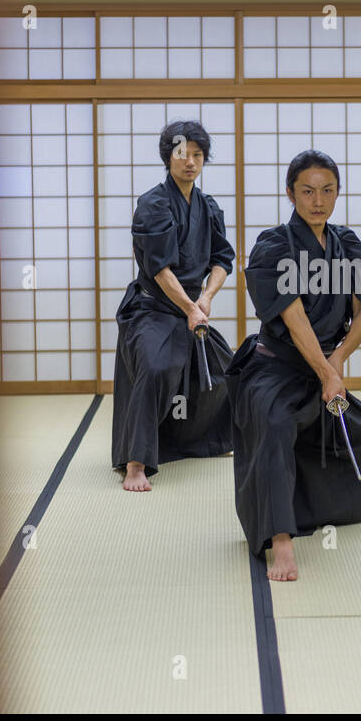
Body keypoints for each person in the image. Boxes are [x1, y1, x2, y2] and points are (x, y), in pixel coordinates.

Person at [225, 150, 361, 581]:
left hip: (325, 366)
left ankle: (302, 508)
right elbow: (293, 318)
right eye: (308, 191)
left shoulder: (349, 243)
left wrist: (337, 361)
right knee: (276, 426)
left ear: (338, 193)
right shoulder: (272, 245)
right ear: (290, 193)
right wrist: (328, 372)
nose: (319, 201)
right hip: (276, 368)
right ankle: (280, 539)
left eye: (328, 191)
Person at [110, 120, 236, 491]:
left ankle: (205, 441)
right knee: (155, 366)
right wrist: (190, 307)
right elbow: (159, 268)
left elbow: (222, 260)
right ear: (169, 157)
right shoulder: (152, 204)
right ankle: (136, 462)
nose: (190, 161)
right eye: (182, 153)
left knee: (228, 369)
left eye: (198, 155)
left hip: (191, 308)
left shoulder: (208, 207)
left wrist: (206, 298)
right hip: (152, 308)